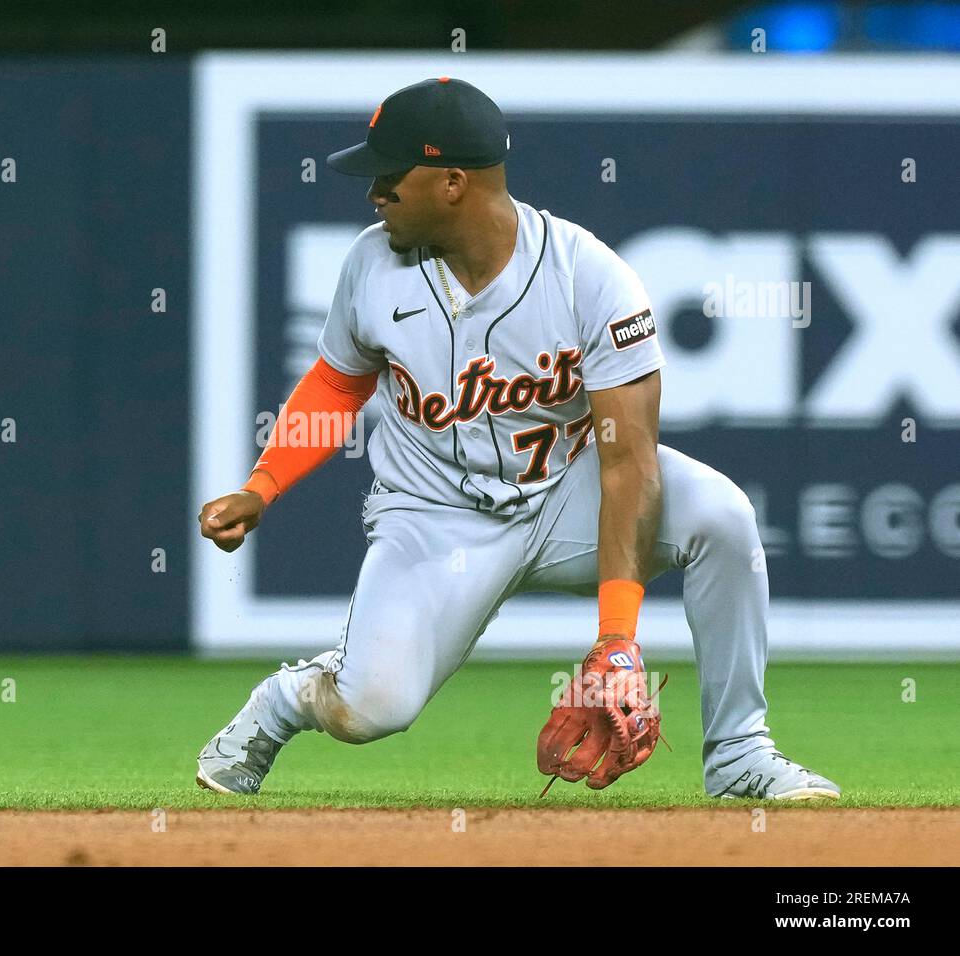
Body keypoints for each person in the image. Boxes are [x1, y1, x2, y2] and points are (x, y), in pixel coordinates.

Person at [195, 77, 840, 801]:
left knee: (722, 516)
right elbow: (339, 383)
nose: (374, 191)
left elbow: (629, 462)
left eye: (389, 173)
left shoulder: (590, 278)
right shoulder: (372, 266)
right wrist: (264, 485)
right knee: (371, 707)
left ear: (451, 182)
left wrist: (617, 639)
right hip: (431, 516)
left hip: (569, 493)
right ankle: (284, 702)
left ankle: (739, 756)